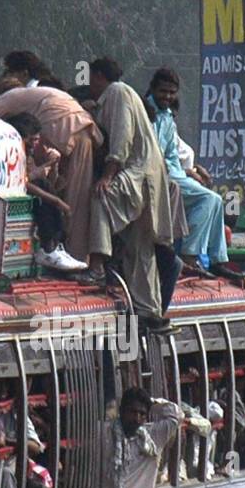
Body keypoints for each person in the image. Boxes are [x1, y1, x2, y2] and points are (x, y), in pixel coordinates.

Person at [88, 58, 178, 332]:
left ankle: (97, 266)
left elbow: (122, 138)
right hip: (149, 176)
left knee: (101, 198)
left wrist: (108, 174)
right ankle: (149, 311)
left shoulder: (118, 92)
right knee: (141, 248)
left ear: (98, 76)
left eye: (90, 78)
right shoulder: (115, 98)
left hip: (137, 172)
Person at [0, 77, 103, 264]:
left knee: (69, 194)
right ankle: (68, 250)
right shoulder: (30, 100)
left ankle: (62, 249)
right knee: (74, 194)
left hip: (65, 125)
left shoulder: (4, 101)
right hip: (78, 124)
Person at [146, 68, 233, 280]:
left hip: (174, 174)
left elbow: (172, 154)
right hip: (155, 176)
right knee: (209, 199)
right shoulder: (146, 112)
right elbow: (150, 153)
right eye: (163, 91)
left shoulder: (167, 117)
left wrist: (188, 173)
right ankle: (189, 256)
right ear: (154, 89)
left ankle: (217, 259)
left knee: (214, 200)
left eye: (171, 92)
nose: (167, 96)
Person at [3, 112, 87, 273]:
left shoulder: (27, 155)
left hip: (24, 190)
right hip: (12, 194)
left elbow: (40, 179)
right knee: (43, 192)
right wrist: (56, 201)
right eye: (31, 139)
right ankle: (49, 247)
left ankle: (55, 245)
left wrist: (53, 166)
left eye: (36, 139)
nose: (34, 144)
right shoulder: (14, 152)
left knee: (46, 186)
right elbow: (23, 181)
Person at [96, 386, 182, 488]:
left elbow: (176, 415)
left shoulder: (153, 436)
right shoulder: (104, 433)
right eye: (132, 412)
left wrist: (151, 402)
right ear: (122, 410)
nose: (137, 418)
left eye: (142, 414)